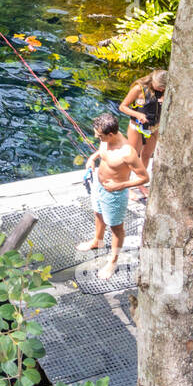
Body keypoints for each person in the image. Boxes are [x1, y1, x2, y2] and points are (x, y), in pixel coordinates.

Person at [76, 114, 149, 280]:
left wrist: (119, 186)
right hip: (98, 184)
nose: (97, 138)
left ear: (111, 134)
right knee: (98, 213)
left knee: (116, 228)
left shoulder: (127, 153)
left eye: (100, 136)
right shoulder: (106, 139)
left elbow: (144, 178)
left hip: (115, 192)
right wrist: (93, 158)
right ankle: (97, 241)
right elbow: (102, 151)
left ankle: (113, 261)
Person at [119, 69, 166, 196]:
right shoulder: (139, 89)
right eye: (160, 87)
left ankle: (139, 183)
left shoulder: (164, 90)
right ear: (154, 81)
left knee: (146, 155)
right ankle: (126, 186)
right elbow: (122, 106)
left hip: (153, 128)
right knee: (132, 156)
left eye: (164, 88)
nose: (162, 90)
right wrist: (137, 114)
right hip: (137, 127)